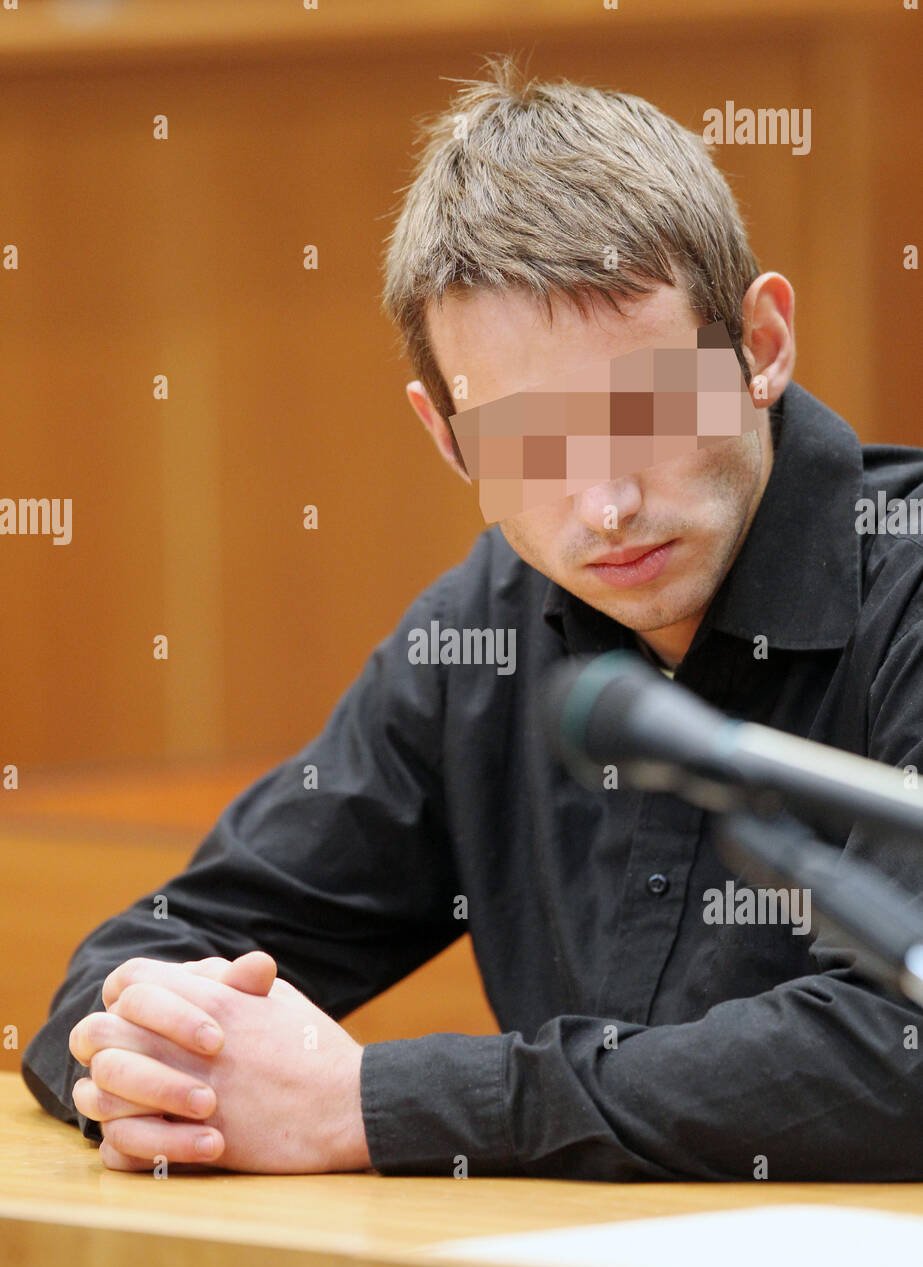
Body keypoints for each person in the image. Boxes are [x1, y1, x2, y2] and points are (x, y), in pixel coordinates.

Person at [23, 57, 923, 1179]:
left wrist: (375, 1105)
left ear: (762, 343)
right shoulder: (478, 633)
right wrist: (145, 1064)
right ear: (446, 439)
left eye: (642, 410)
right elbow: (148, 952)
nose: (603, 503)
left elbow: (900, 1054)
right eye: (527, 444)